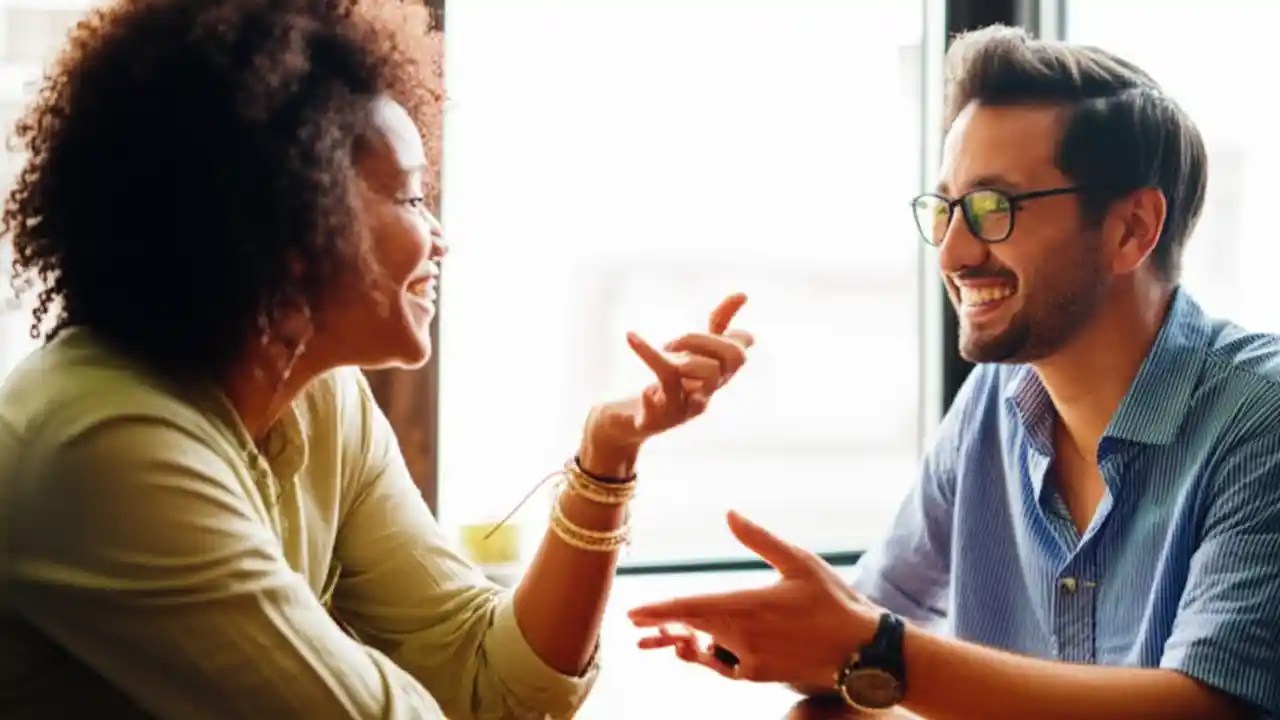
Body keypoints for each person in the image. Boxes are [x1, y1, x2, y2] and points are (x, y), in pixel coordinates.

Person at [0, 1, 752, 718]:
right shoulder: (103, 444)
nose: (439, 238)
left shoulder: (324, 402)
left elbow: (493, 686)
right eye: (411, 198)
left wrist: (607, 454)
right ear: (293, 223)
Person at [628, 25, 1280, 720]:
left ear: (1132, 229)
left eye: (995, 209)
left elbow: (1210, 711)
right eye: (945, 209)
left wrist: (873, 649)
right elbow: (860, 642)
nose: (953, 253)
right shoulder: (996, 400)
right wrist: (772, 635)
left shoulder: (1258, 417)